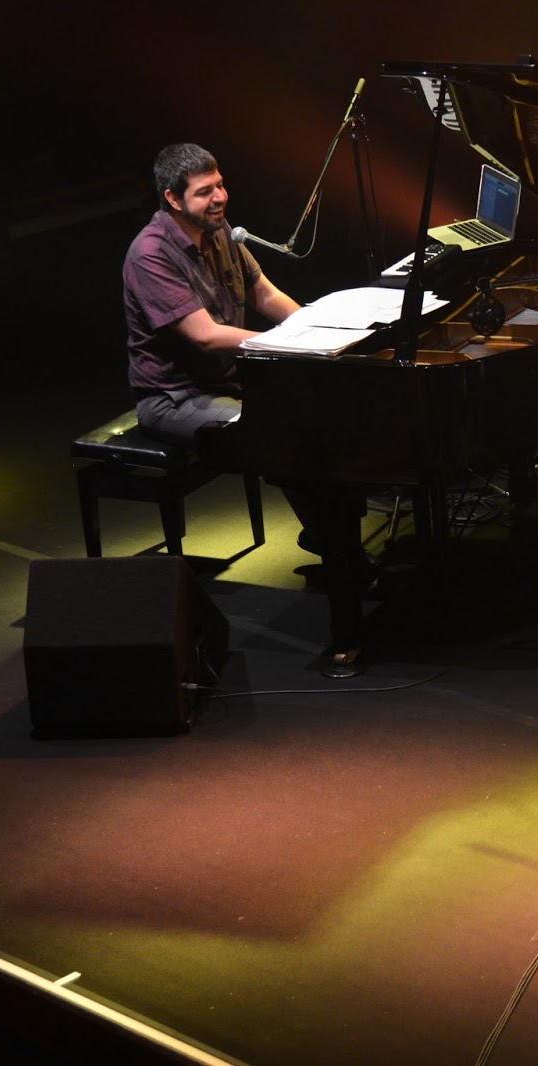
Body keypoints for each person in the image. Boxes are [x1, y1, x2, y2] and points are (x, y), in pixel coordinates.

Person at [123, 143, 369, 673]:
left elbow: (263, 292)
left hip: (233, 381)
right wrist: (289, 347)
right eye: (205, 191)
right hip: (174, 399)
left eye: (220, 185)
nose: (219, 198)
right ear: (171, 199)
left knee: (331, 424)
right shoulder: (150, 255)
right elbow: (207, 337)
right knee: (290, 445)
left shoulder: (220, 233)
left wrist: (321, 331)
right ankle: (343, 592)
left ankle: (340, 548)